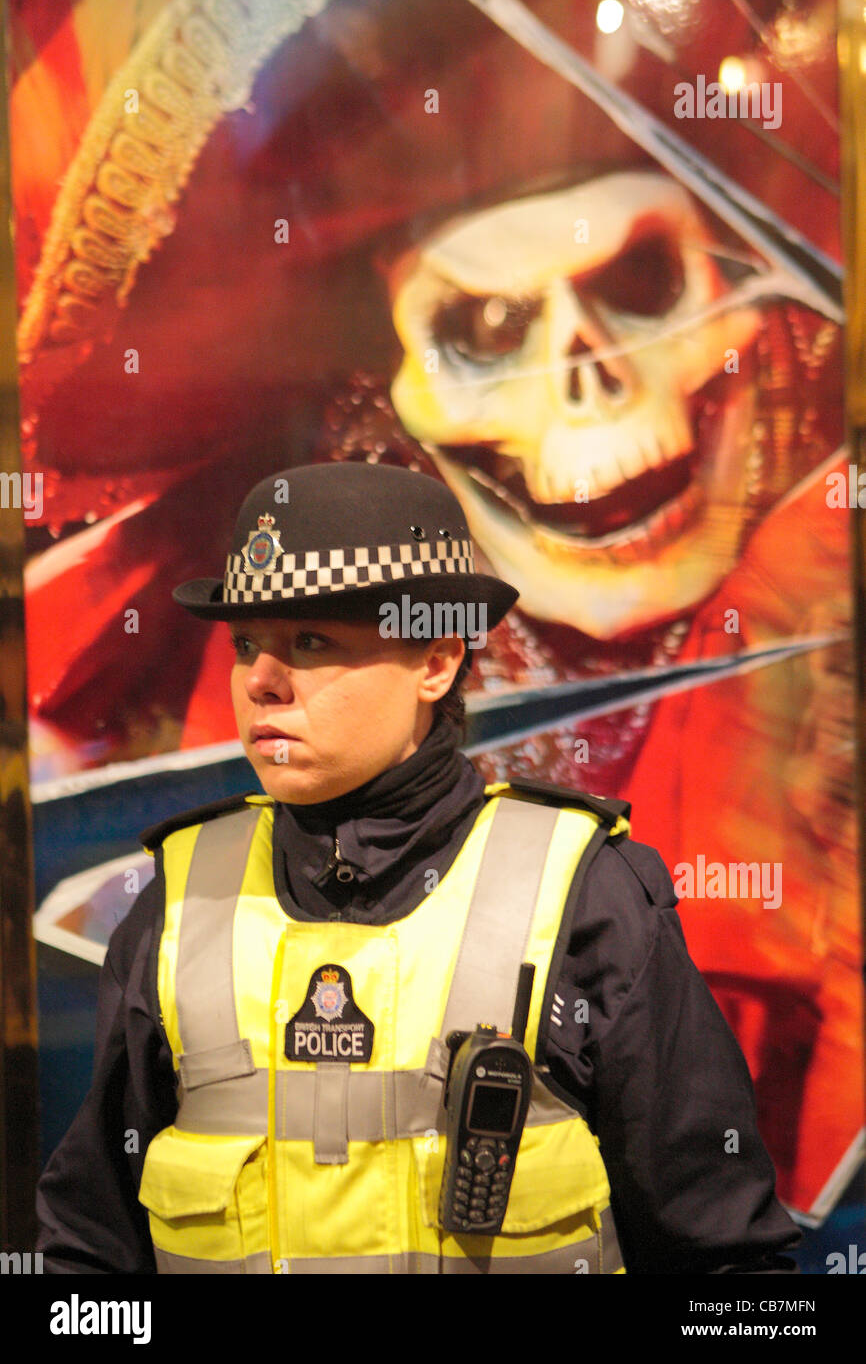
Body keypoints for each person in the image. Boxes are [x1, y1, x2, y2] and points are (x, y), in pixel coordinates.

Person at [36, 460, 802, 1274]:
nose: (260, 681)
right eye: (247, 644)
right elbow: (91, 1257)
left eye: (310, 641)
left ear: (436, 664)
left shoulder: (584, 899)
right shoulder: (179, 904)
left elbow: (726, 1266)